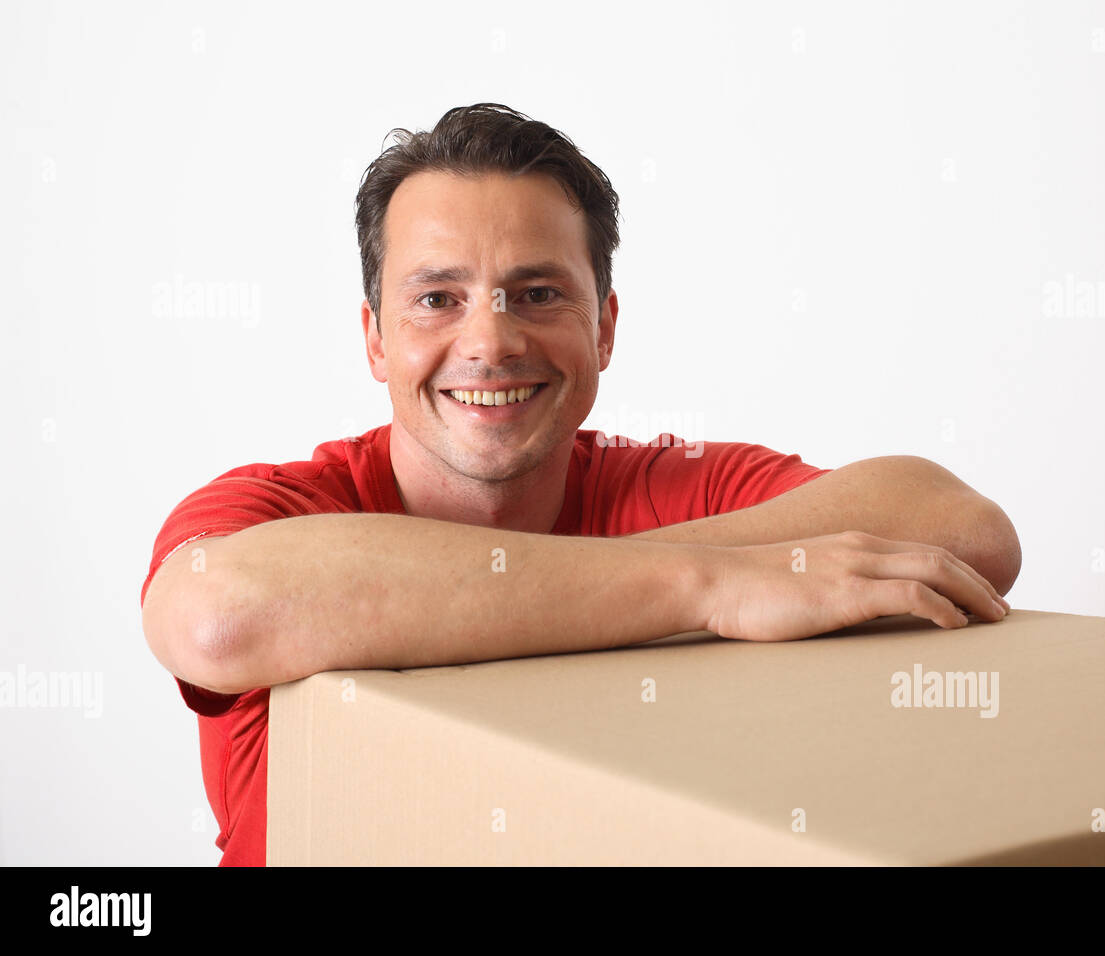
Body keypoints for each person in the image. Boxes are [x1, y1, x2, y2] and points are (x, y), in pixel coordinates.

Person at [140, 103, 1020, 866]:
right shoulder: (278, 510)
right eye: (438, 298)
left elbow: (959, 527)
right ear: (375, 338)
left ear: (603, 329)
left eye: (536, 293)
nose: (490, 342)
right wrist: (707, 584)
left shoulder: (666, 479)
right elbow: (216, 615)